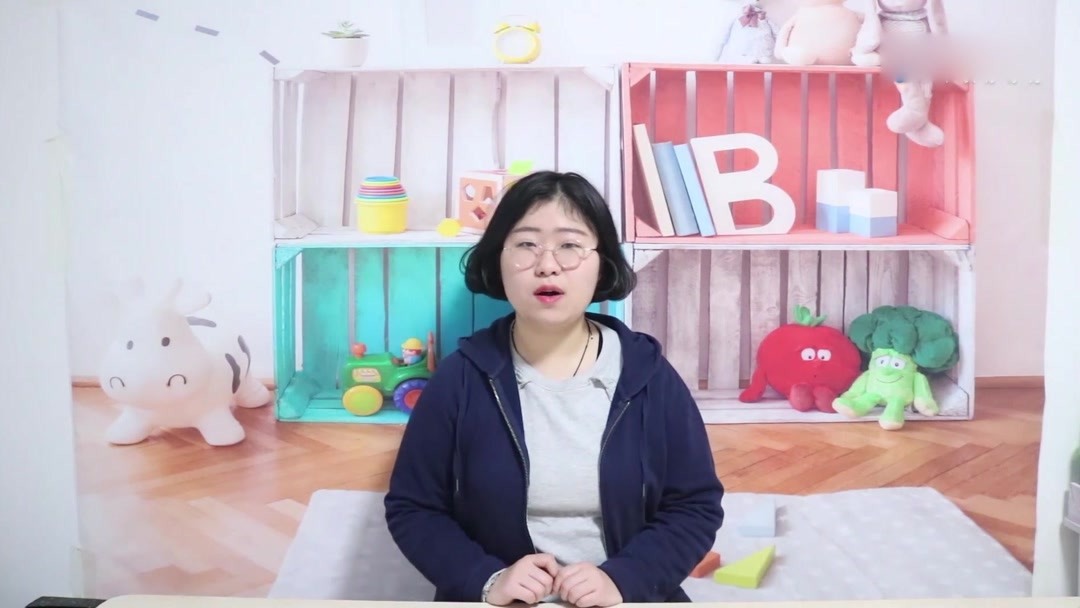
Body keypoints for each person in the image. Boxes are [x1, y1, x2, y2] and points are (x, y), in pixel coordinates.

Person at [383, 170, 725, 606]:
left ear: (602, 262)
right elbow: (413, 508)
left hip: (627, 597)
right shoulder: (461, 378)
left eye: (569, 245)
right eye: (526, 244)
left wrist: (624, 579)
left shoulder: (648, 375)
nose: (547, 265)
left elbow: (695, 505)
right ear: (498, 259)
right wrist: (487, 579)